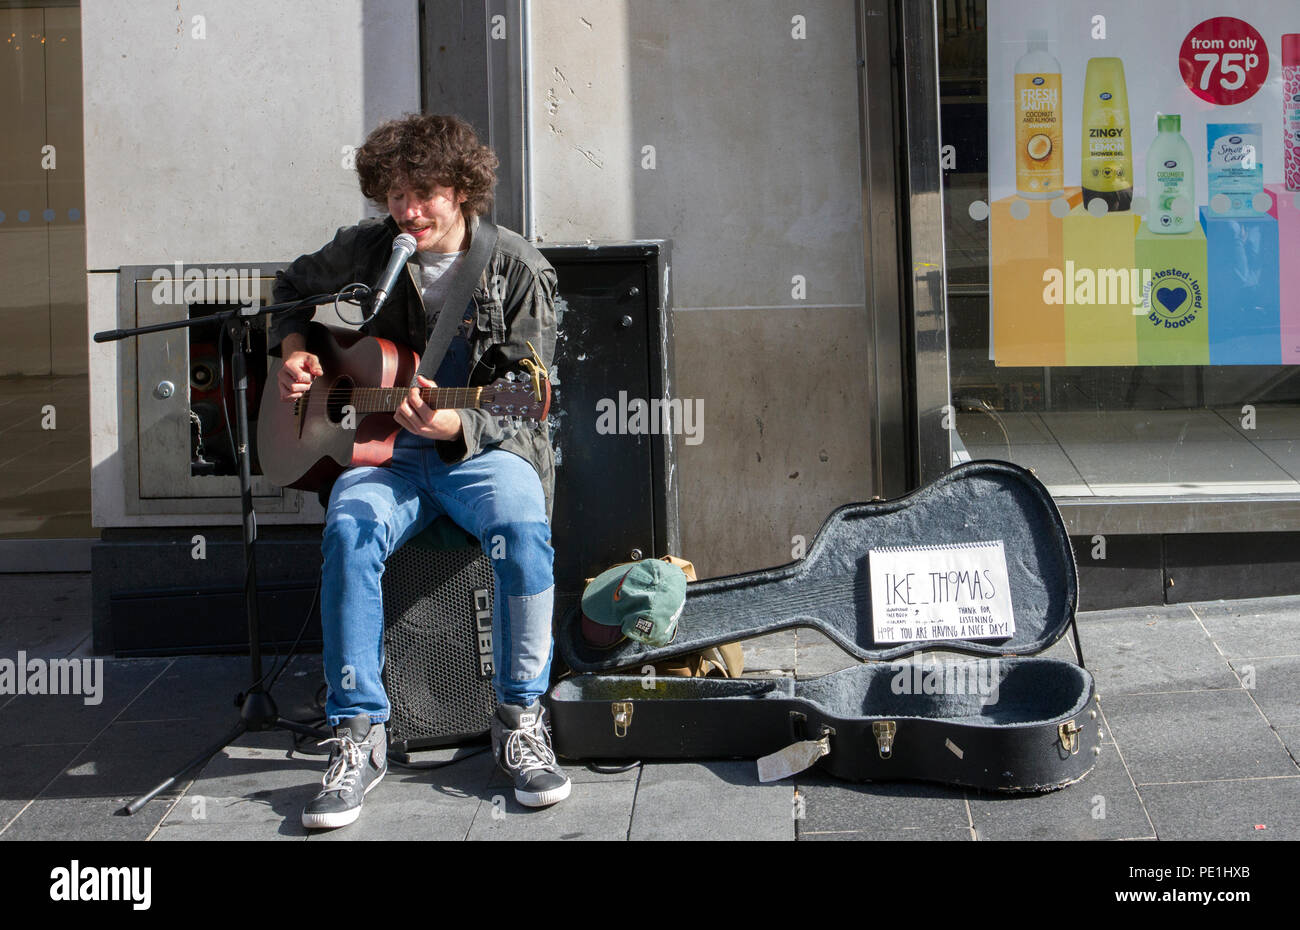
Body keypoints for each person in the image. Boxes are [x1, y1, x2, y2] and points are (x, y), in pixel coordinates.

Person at [268, 113, 569, 829]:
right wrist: (293, 351)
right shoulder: (370, 250)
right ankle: (359, 732)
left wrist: (456, 424)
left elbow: (531, 397)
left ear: (463, 189)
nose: (407, 211)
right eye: (394, 195)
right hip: (386, 452)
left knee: (522, 532)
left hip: (485, 446)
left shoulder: (517, 267)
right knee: (349, 529)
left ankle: (521, 718)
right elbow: (289, 287)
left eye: (424, 192)